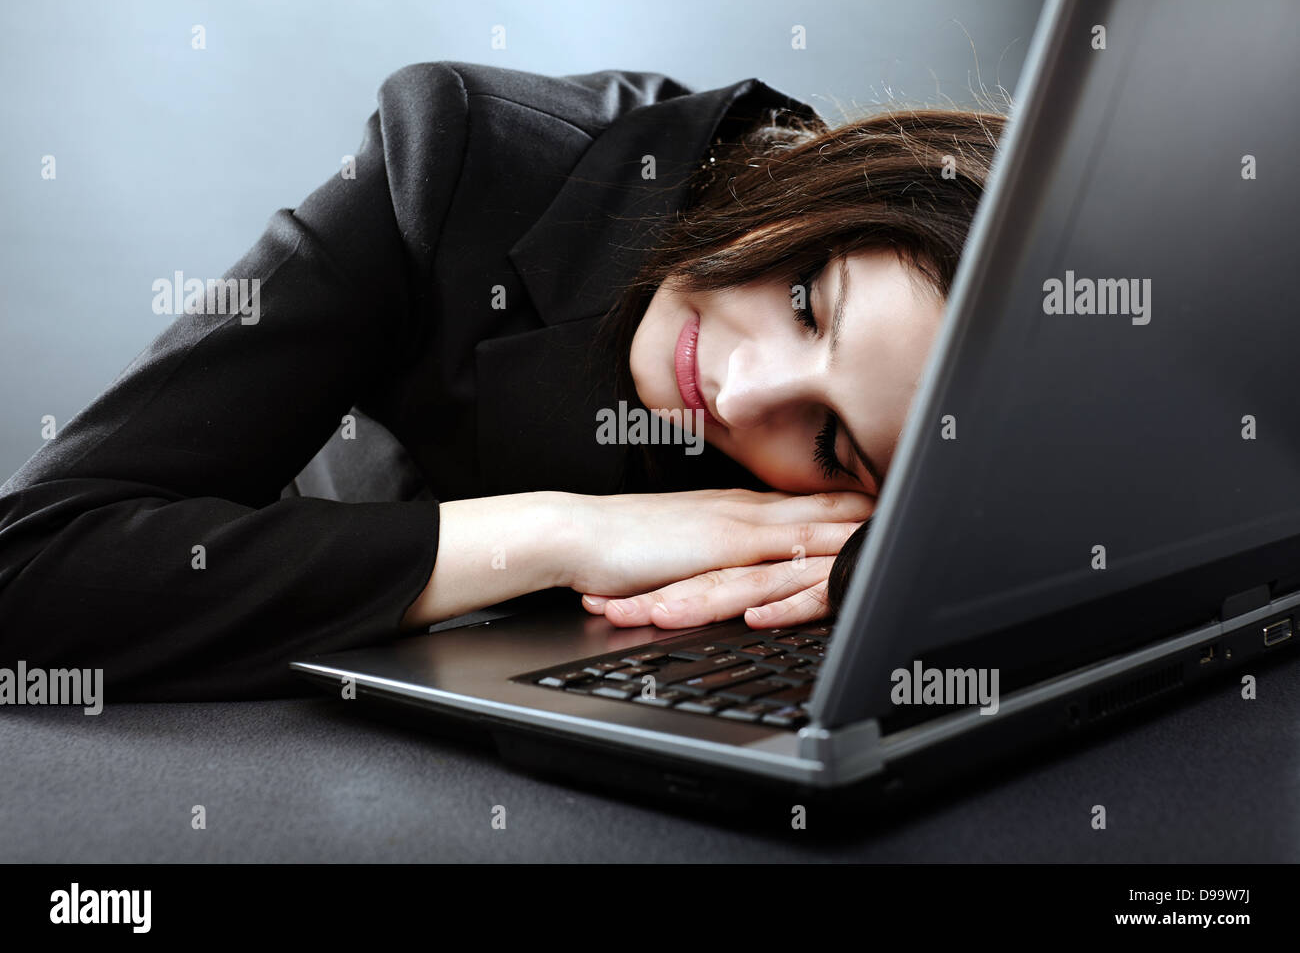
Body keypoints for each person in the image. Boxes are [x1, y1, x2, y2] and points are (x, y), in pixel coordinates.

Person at [0, 62, 1005, 700]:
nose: (741, 393)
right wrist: (567, 531)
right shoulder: (446, 157)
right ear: (833, 180)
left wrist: (900, 563)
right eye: (803, 303)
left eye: (832, 442)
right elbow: (30, 569)